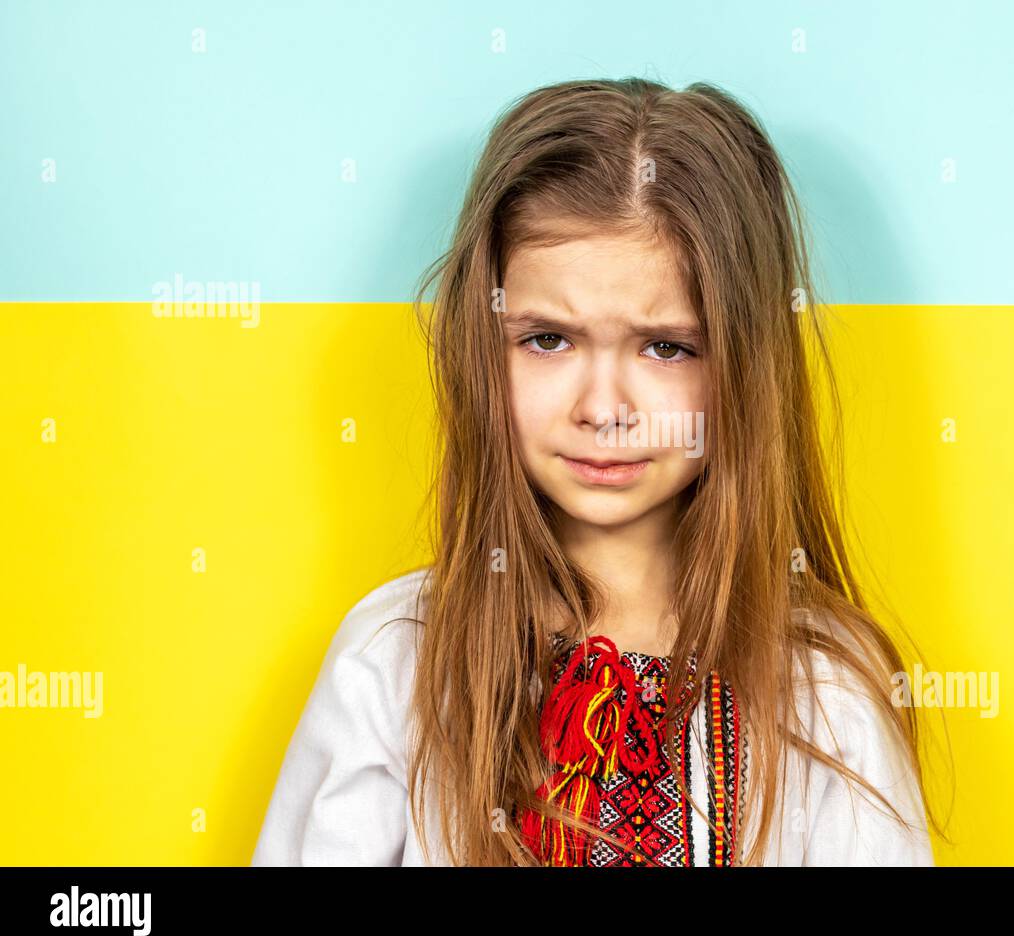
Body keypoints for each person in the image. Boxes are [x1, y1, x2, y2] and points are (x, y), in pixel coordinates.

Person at [252, 77, 942, 867]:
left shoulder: (825, 698)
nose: (603, 408)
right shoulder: (393, 665)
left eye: (665, 346)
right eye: (548, 340)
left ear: (745, 367)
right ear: (484, 347)